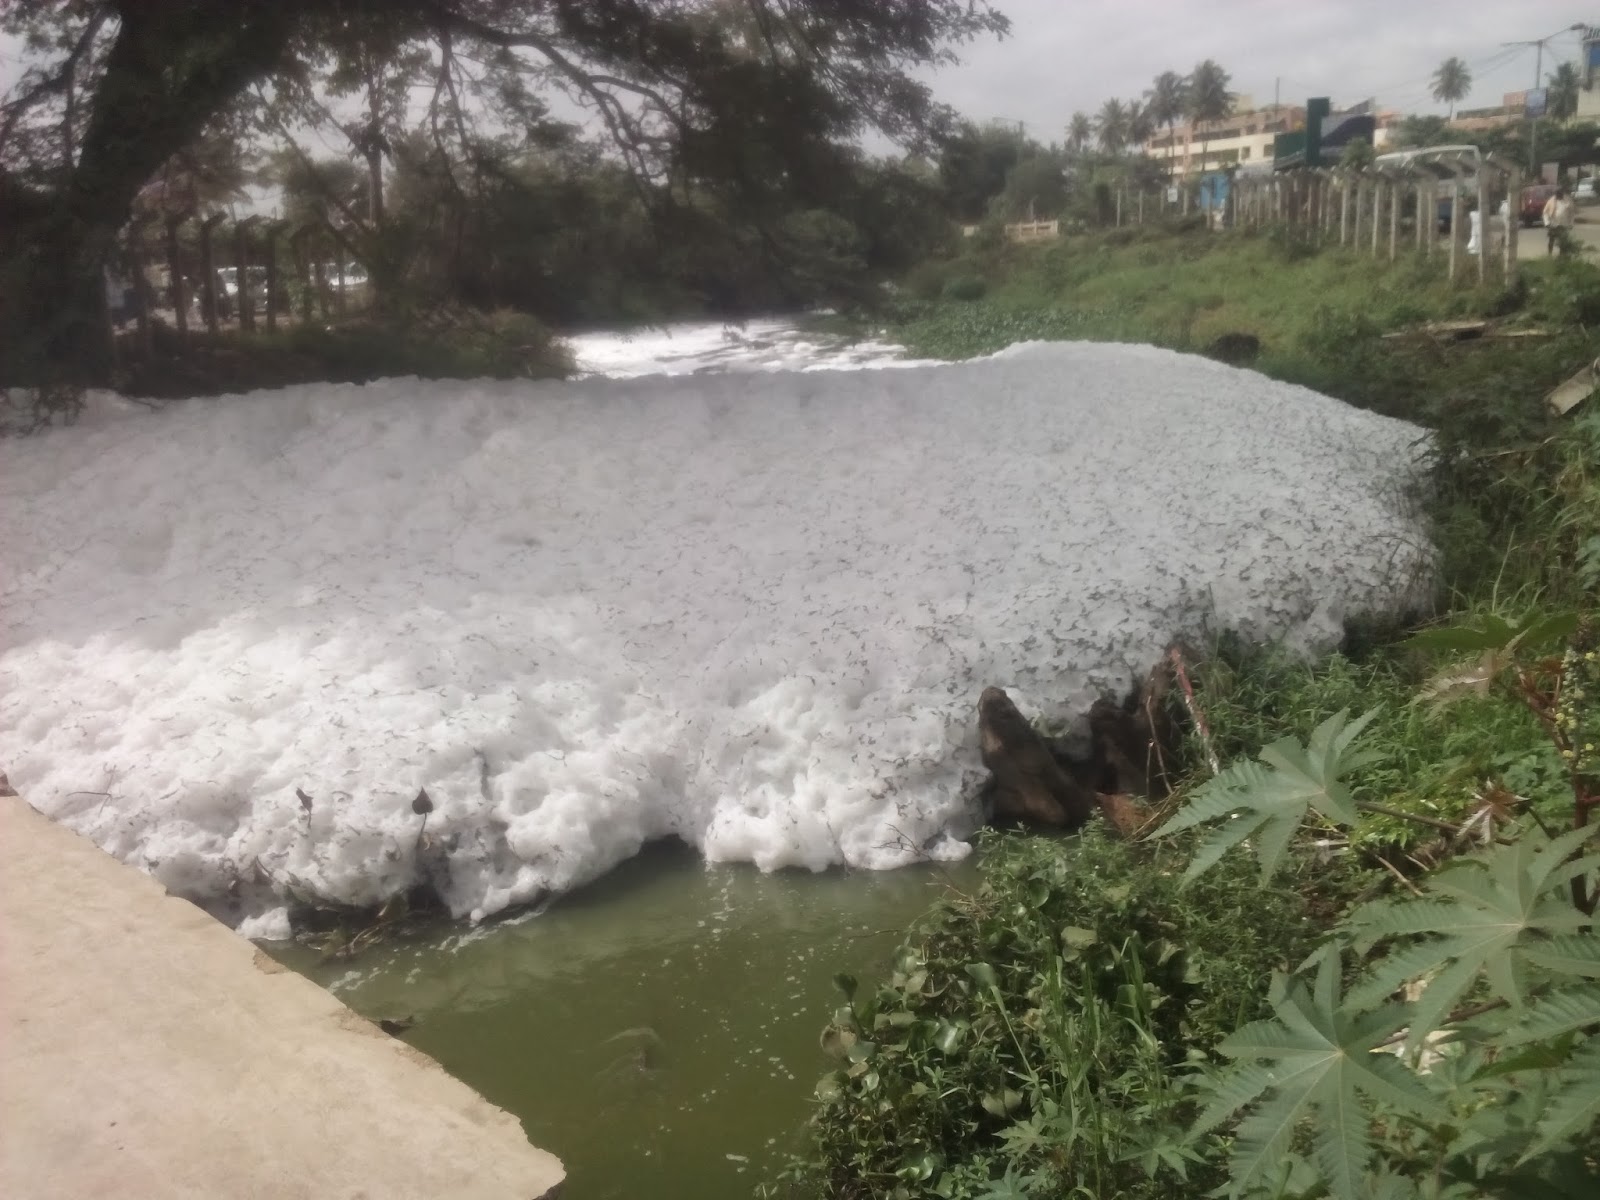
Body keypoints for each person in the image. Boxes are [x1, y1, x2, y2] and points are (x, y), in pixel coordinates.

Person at [1543, 187, 1576, 256]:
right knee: (1551, 240)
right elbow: (1545, 212)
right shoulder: (1551, 200)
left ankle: (1561, 256)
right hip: (1553, 224)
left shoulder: (1568, 201)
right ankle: (1549, 255)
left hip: (1563, 224)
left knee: (1562, 241)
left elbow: (1572, 213)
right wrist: (1547, 223)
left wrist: (1571, 223)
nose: (1558, 195)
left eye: (1560, 194)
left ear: (1562, 194)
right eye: (1557, 194)